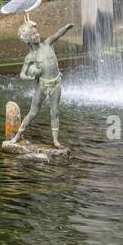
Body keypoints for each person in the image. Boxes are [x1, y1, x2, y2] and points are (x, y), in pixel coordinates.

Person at [9, 17, 73, 149]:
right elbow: (22, 74)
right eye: (33, 34)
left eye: (36, 32)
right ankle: (17, 136)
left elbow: (57, 34)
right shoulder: (30, 57)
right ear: (28, 39)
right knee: (33, 113)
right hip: (42, 85)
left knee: (55, 112)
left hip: (56, 82)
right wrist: (32, 77)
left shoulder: (47, 44)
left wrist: (66, 28)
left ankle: (55, 140)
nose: (37, 34)